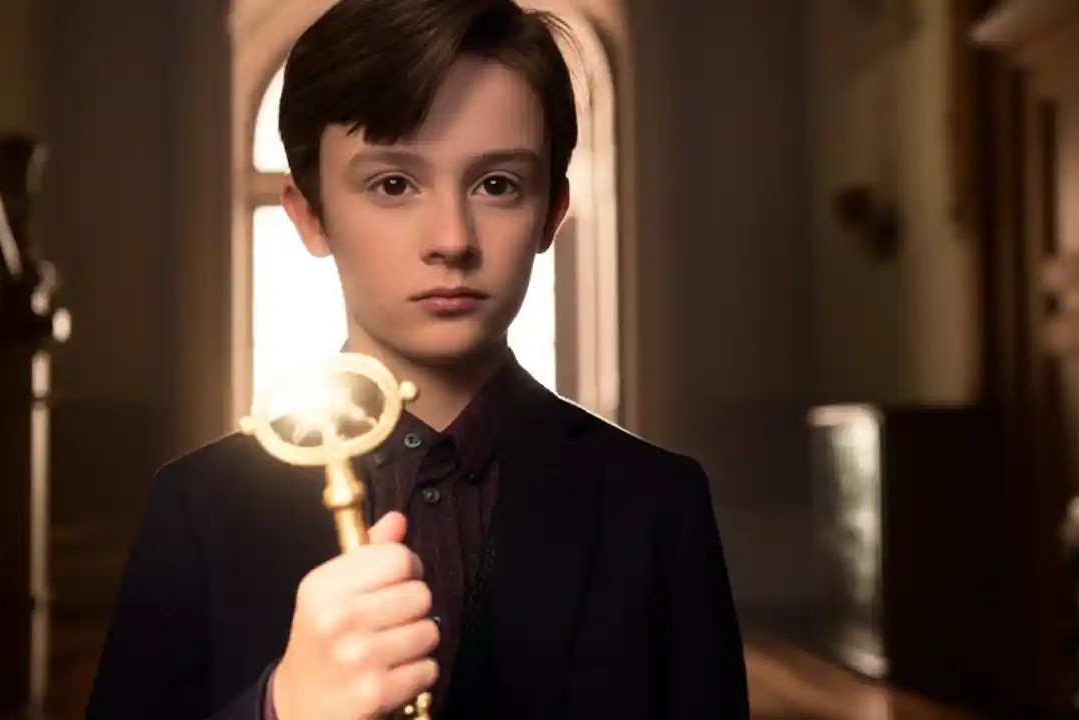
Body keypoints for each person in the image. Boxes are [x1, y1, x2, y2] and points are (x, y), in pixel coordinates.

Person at [86, 0, 748, 717]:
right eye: (394, 184)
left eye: (497, 185)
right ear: (309, 215)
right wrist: (280, 707)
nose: (452, 239)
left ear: (551, 214)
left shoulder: (657, 505)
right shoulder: (197, 508)